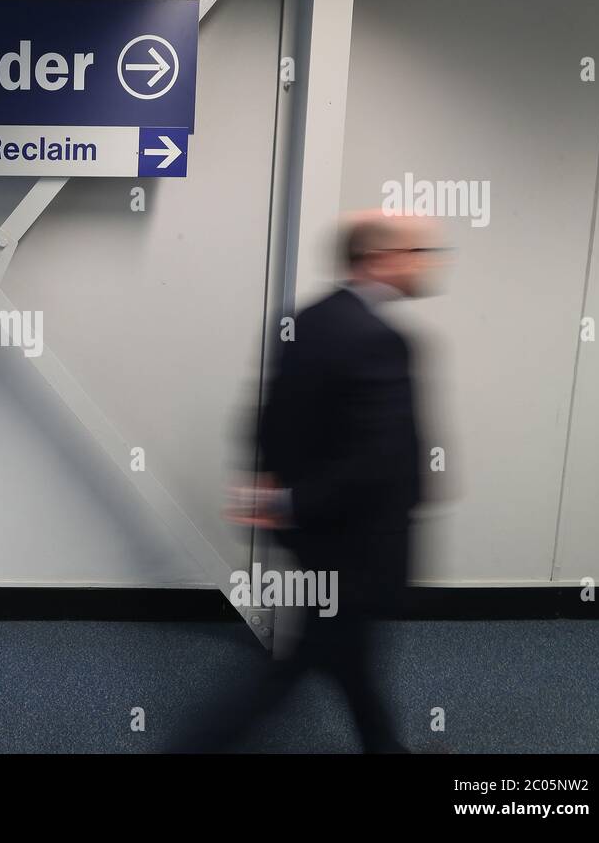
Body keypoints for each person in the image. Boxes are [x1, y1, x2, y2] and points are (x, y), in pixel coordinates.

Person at [173, 209, 447, 753]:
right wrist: (291, 499)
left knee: (345, 666)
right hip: (357, 546)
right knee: (293, 673)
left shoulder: (309, 320)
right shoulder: (380, 338)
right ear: (380, 257)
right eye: (419, 252)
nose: (428, 264)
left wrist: (273, 492)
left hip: (318, 541)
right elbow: (379, 459)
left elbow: (266, 416)